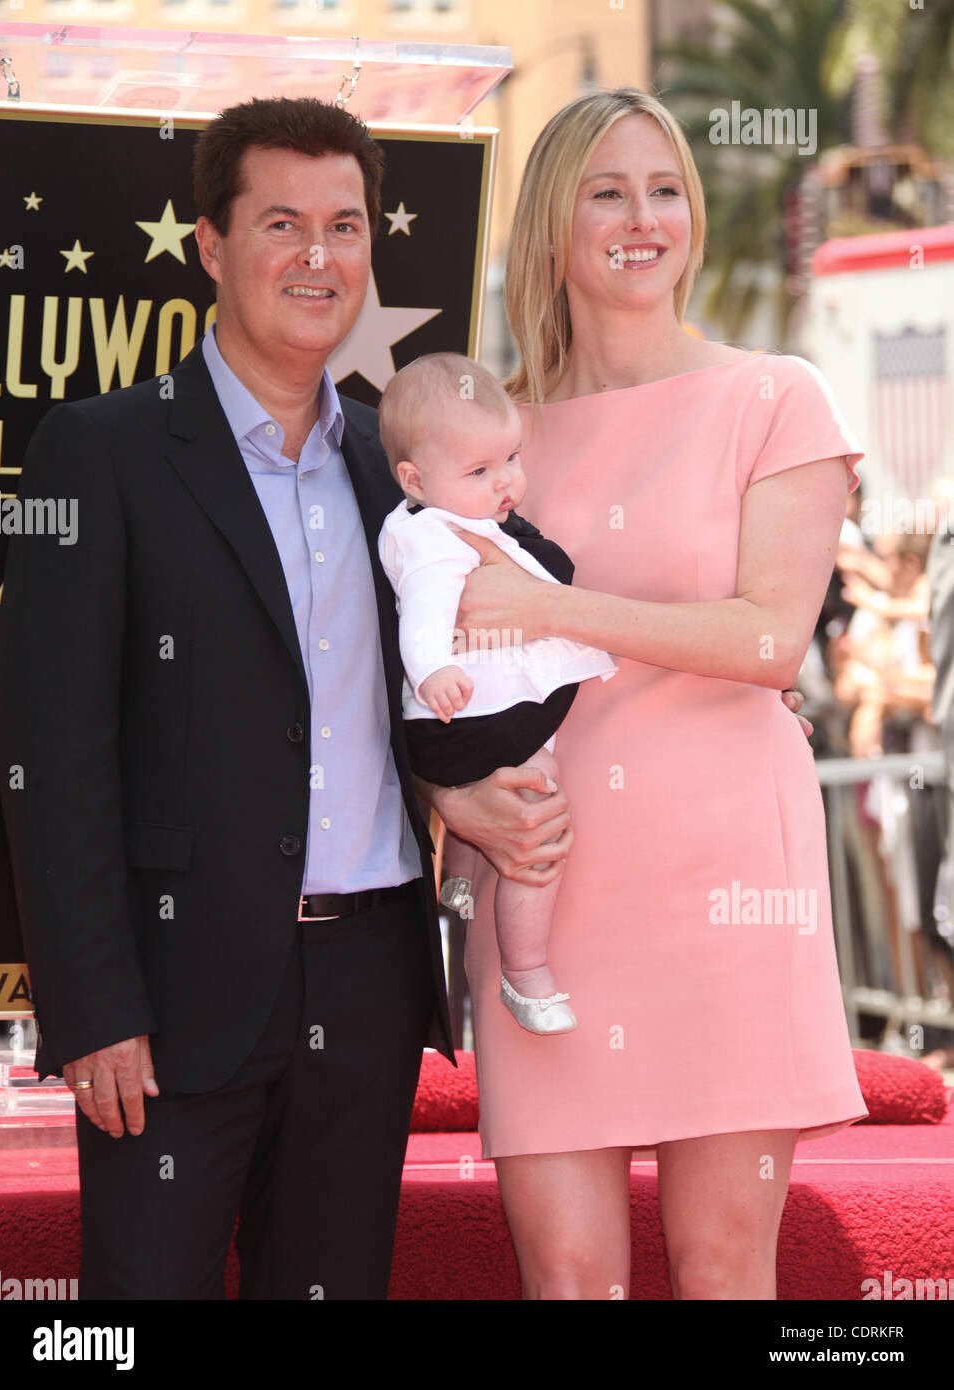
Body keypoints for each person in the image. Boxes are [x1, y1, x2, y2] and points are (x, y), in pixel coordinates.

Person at [0, 96, 564, 1300]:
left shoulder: (397, 470)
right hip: (170, 992)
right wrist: (92, 1005)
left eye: (345, 225)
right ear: (209, 244)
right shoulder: (100, 453)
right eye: (282, 224)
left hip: (364, 985)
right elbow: (52, 751)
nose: (319, 257)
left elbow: (427, 692)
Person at [417, 88, 869, 1300]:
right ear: (554, 221)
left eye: (664, 188)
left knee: (722, 1267)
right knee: (566, 1277)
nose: (641, 217)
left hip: (724, 887)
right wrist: (452, 799)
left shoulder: (773, 397)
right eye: (606, 191)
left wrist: (556, 607)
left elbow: (770, 638)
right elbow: (415, 658)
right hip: (545, 898)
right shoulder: (488, 434)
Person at [377, 353, 616, 1033]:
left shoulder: (458, 517)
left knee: (509, 781)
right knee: (536, 812)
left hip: (469, 713)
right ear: (414, 479)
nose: (505, 480)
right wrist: (430, 670)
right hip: (466, 712)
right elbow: (422, 614)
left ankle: (458, 874)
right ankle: (525, 971)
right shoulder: (435, 539)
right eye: (478, 472)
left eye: (509, 457)